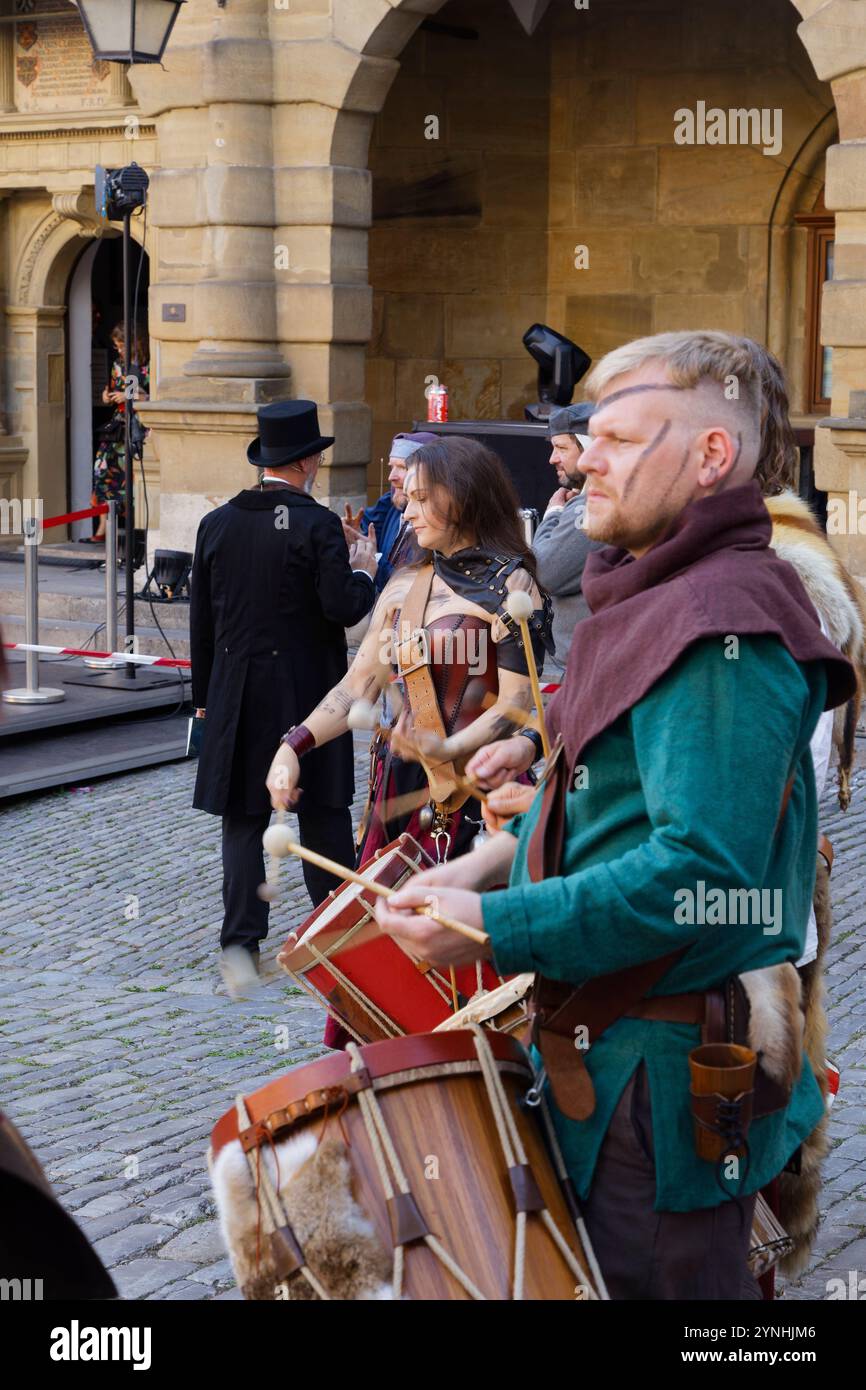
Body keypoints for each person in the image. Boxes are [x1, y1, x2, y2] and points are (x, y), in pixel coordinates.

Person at [372, 330, 856, 1301]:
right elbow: (627, 812)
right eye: (588, 433)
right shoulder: (667, 592)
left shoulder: (720, 619)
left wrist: (494, 925)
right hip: (617, 1067)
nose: (582, 456)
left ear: (709, 456)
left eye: (619, 438)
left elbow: (699, 874)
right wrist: (484, 868)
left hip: (658, 1093)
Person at [266, 435, 551, 1040]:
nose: (408, 509)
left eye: (423, 498)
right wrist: (293, 745)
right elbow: (354, 690)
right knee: (384, 960)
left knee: (480, 974)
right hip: (397, 798)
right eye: (408, 496)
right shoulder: (402, 584)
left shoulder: (514, 588)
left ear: (464, 498)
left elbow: (521, 708)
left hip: (483, 796)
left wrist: (450, 749)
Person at [747, 341, 866, 1279]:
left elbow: (789, 753)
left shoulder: (784, 567)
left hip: (759, 868)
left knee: (761, 1070)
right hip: (756, 870)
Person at [190, 400, 378, 970]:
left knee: (245, 816)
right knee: (322, 808)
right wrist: (365, 569)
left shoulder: (216, 523)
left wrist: (205, 701)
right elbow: (342, 606)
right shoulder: (317, 523)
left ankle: (240, 940)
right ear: (308, 462)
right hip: (307, 691)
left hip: (236, 687)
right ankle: (336, 926)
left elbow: (201, 622)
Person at [532, 402, 604, 674]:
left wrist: (553, 513)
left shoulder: (592, 505)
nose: (552, 458)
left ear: (589, 449)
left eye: (561, 448)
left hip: (588, 670)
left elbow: (544, 571)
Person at [343, 431, 436, 594]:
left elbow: (405, 584)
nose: (391, 477)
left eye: (402, 467)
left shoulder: (436, 523)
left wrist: (373, 558)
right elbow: (373, 544)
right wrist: (358, 537)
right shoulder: (390, 506)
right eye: (391, 467)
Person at [83, 321, 149, 543]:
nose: (119, 350)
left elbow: (153, 395)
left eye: (122, 345)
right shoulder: (118, 364)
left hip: (139, 425)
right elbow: (111, 389)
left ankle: (134, 531)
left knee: (133, 477)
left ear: (135, 342)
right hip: (118, 425)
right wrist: (107, 396)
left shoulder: (148, 364)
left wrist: (130, 396)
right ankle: (102, 527)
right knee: (102, 469)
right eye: (116, 346)